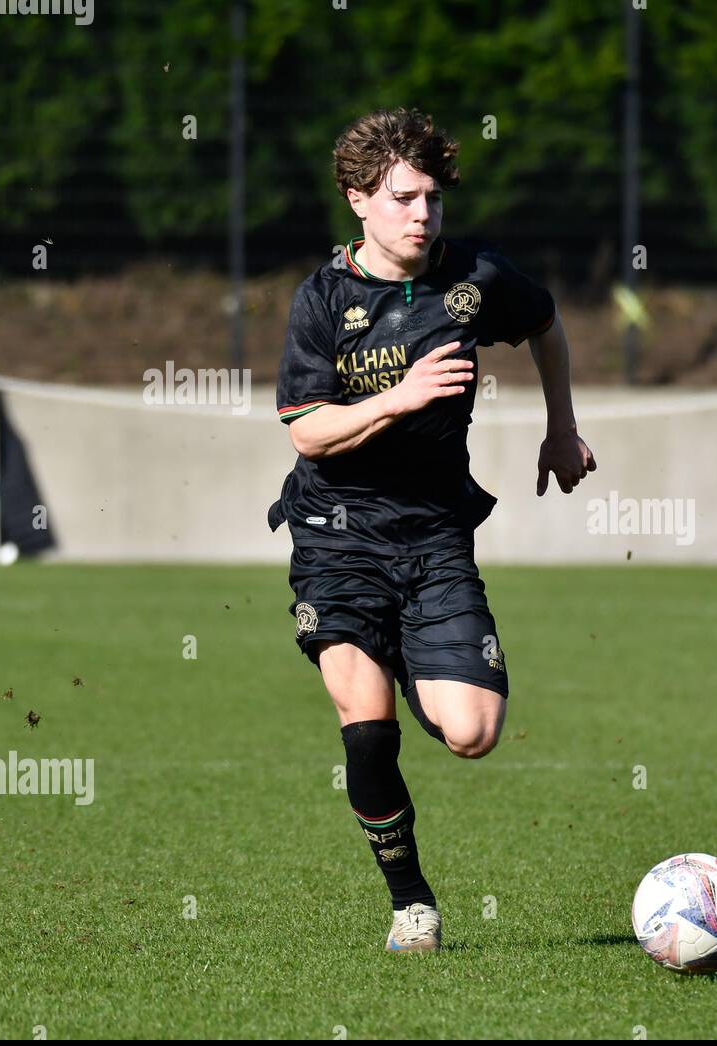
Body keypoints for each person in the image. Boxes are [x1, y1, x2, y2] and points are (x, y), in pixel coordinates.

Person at [268, 107, 596, 950]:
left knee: (473, 733)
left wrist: (560, 427)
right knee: (365, 720)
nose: (423, 215)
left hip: (436, 535)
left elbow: (545, 323)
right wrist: (399, 398)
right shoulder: (322, 298)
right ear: (358, 201)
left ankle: (416, 654)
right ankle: (410, 900)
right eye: (404, 199)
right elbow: (306, 428)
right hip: (335, 534)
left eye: (433, 201)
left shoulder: (473, 278)